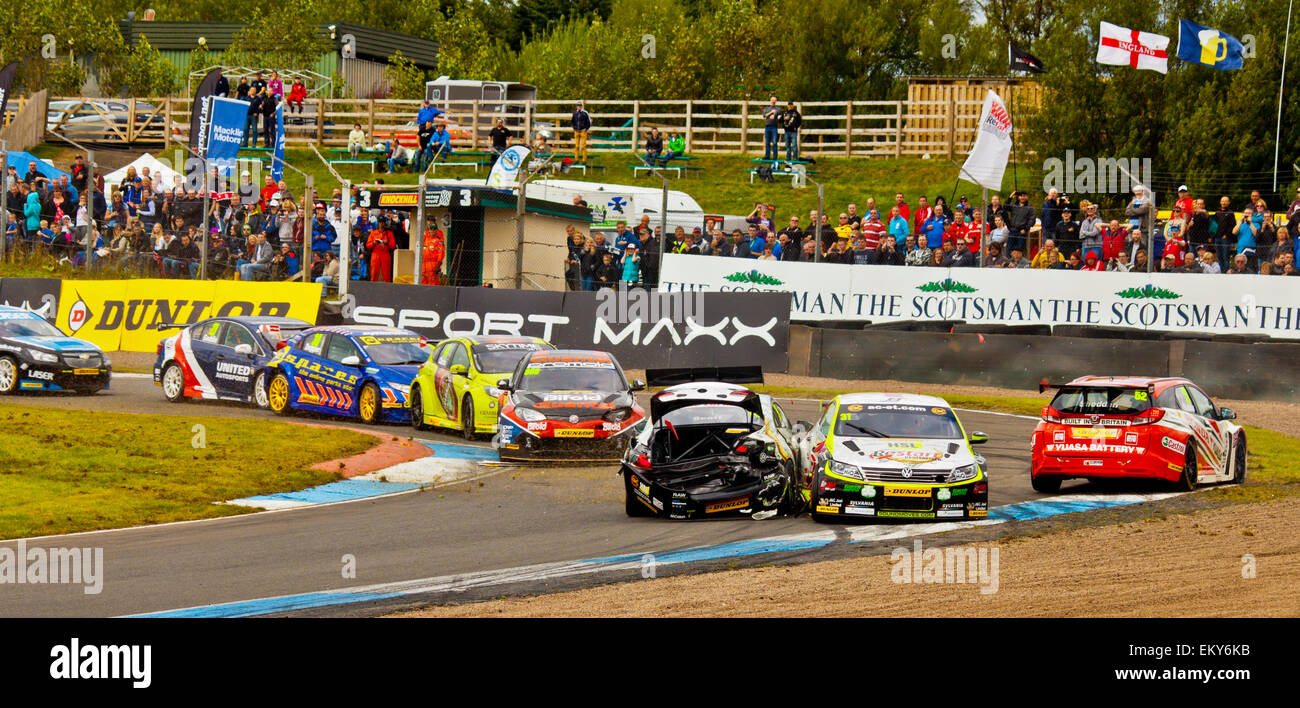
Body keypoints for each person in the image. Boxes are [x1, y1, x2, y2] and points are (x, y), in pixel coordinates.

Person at [761, 96, 780, 161]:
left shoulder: (777, 108)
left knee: (774, 142)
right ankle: (767, 156)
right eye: (772, 100)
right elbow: (764, 115)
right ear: (770, 101)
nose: (773, 102)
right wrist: (771, 112)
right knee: (767, 142)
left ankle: (775, 157)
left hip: (774, 127)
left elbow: (777, 113)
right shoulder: (767, 108)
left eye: (774, 101)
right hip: (767, 127)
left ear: (776, 101)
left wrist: (773, 115)